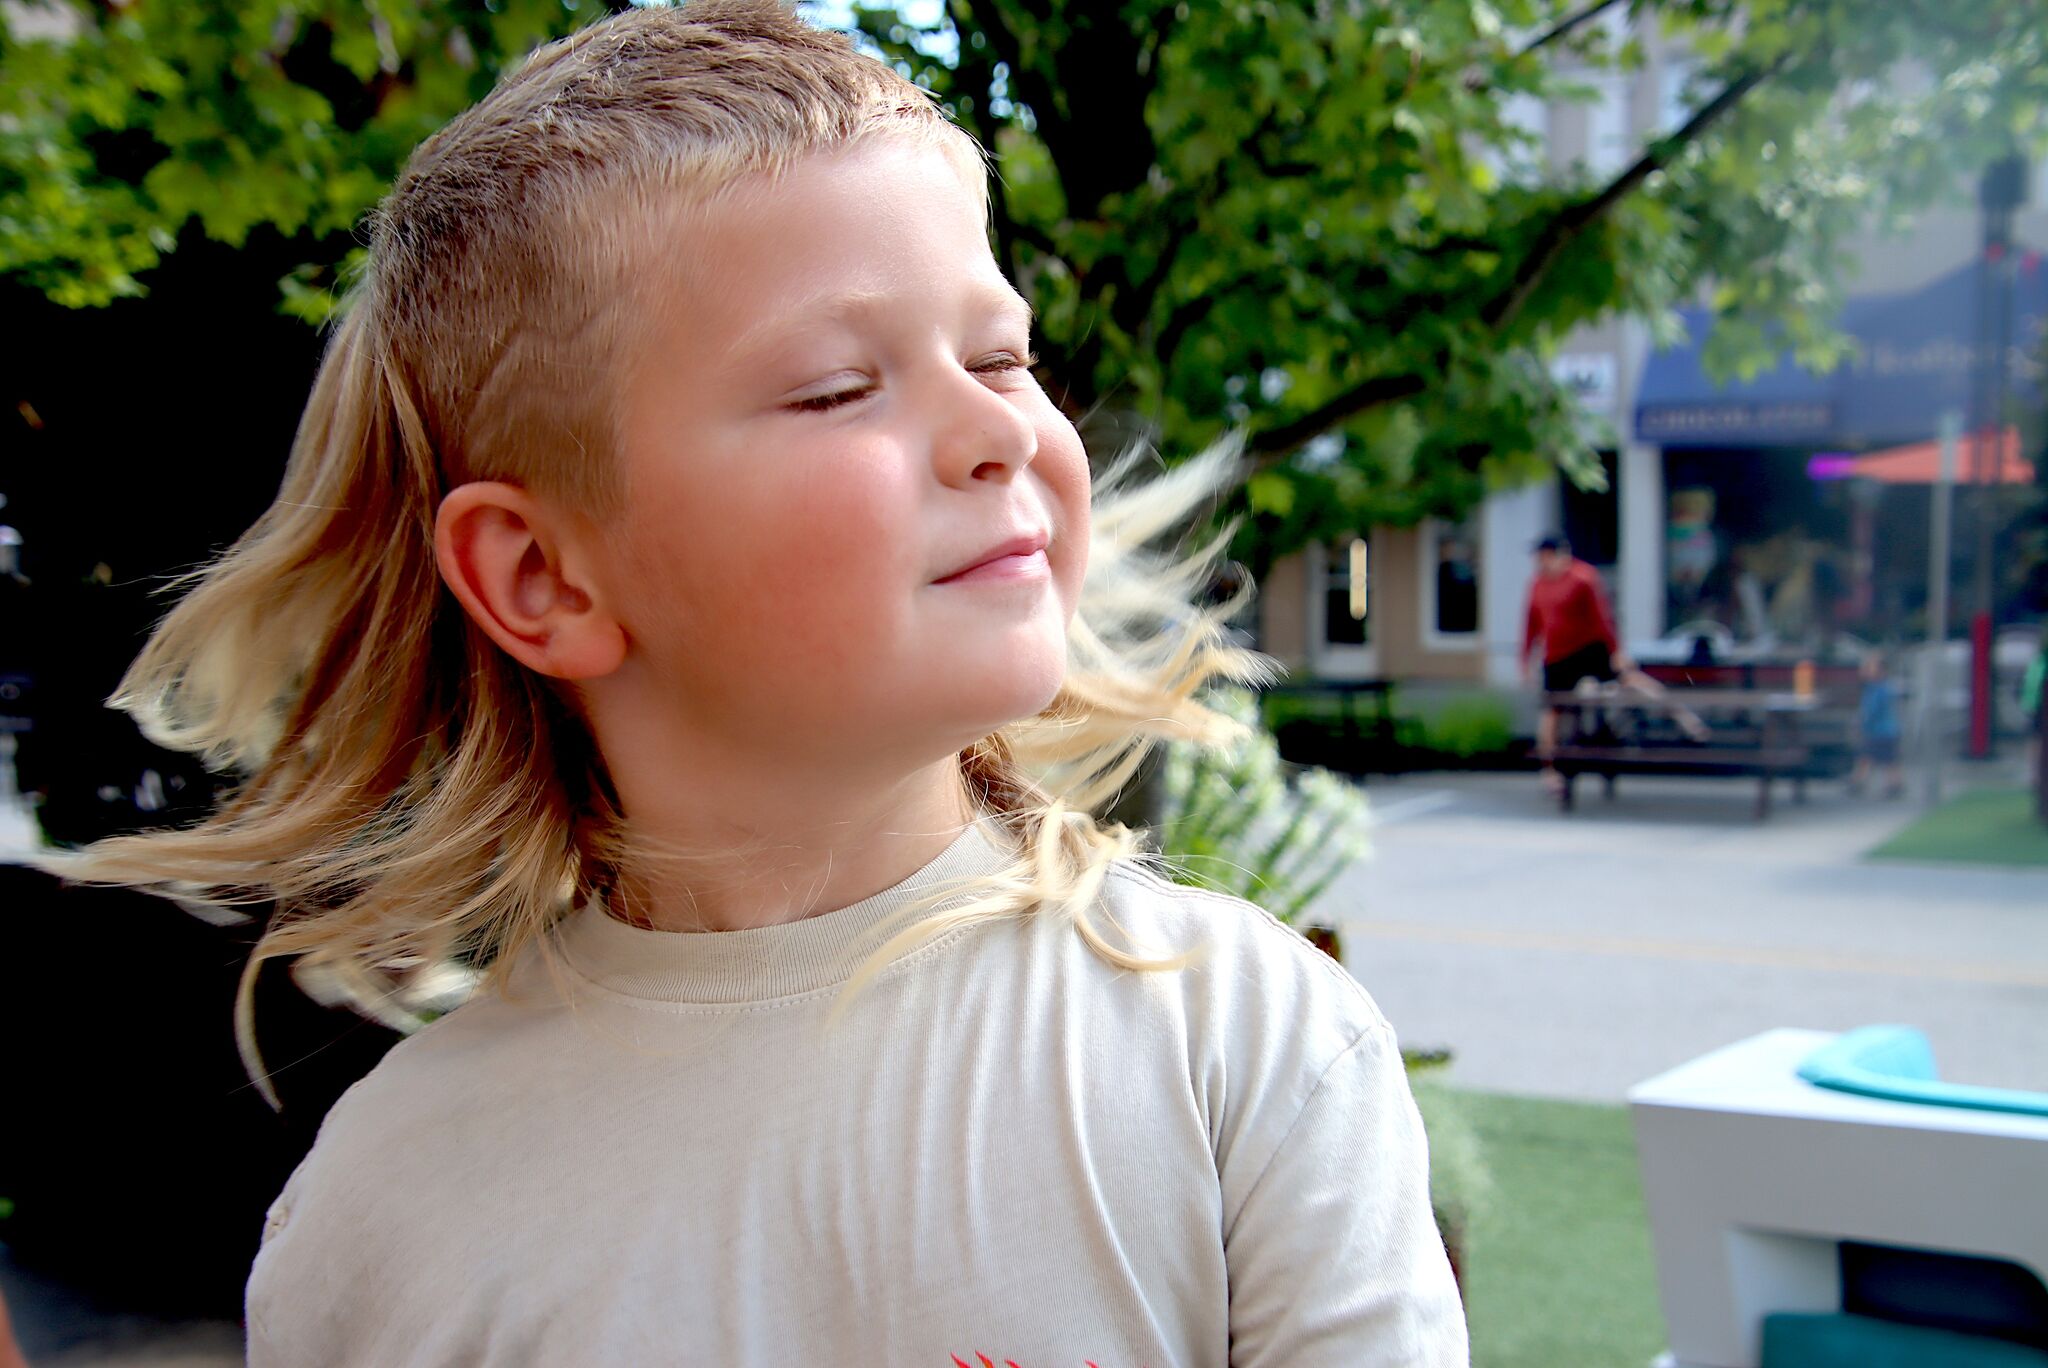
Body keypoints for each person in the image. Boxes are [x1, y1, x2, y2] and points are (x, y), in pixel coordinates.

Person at [40, 5, 1466, 1365]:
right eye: (841, 387)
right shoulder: (378, 1214)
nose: (997, 429)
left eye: (1001, 353)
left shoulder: (1240, 1046)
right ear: (542, 578)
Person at [1522, 534, 1631, 792]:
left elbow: (1602, 618)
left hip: (1586, 651)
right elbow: (1531, 624)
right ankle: (1550, 770)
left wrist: (1615, 651)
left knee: (1613, 688)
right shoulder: (1537, 584)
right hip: (1556, 656)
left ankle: (1678, 716)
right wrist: (1525, 659)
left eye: (1544, 556)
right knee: (1552, 711)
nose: (1540, 562)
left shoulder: (1583, 578)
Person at [1850, 650, 1904, 799]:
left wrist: (1862, 722)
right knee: (1884, 759)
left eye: (1870, 668)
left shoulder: (1880, 689)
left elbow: (1873, 710)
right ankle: (1893, 784)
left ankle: (1859, 782)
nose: (1866, 671)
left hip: (1882, 731)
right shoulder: (1874, 688)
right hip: (1883, 731)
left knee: (1872, 757)